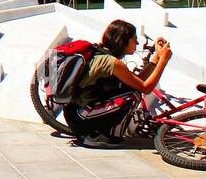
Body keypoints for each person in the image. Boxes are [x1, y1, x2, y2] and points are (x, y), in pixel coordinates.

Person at [64, 19, 171, 147]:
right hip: (80, 118)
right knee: (133, 95)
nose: (137, 43)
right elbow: (145, 88)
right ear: (123, 41)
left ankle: (100, 132)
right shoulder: (112, 63)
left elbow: (137, 80)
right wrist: (163, 61)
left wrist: (156, 58)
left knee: (131, 90)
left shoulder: (103, 54)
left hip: (76, 114)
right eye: (134, 39)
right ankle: (98, 137)